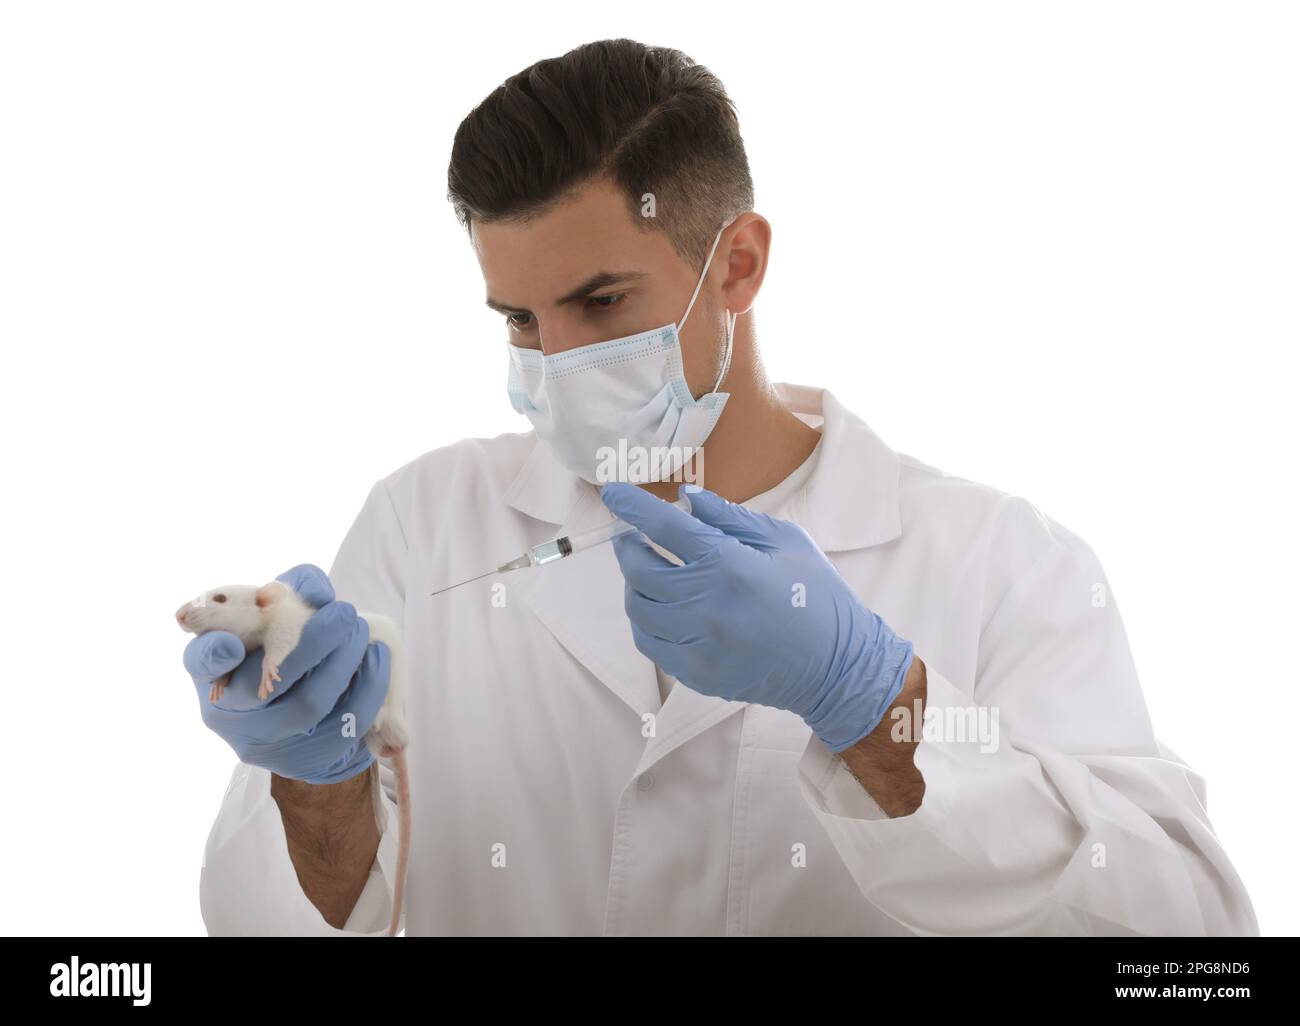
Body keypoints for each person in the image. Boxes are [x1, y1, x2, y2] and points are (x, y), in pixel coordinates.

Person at [188, 38, 1257, 936]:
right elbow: (279, 924)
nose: (552, 364)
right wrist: (314, 783)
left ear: (737, 263)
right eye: (519, 321)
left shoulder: (996, 560)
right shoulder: (427, 530)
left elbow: (1185, 938)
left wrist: (867, 697)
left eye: (600, 302)